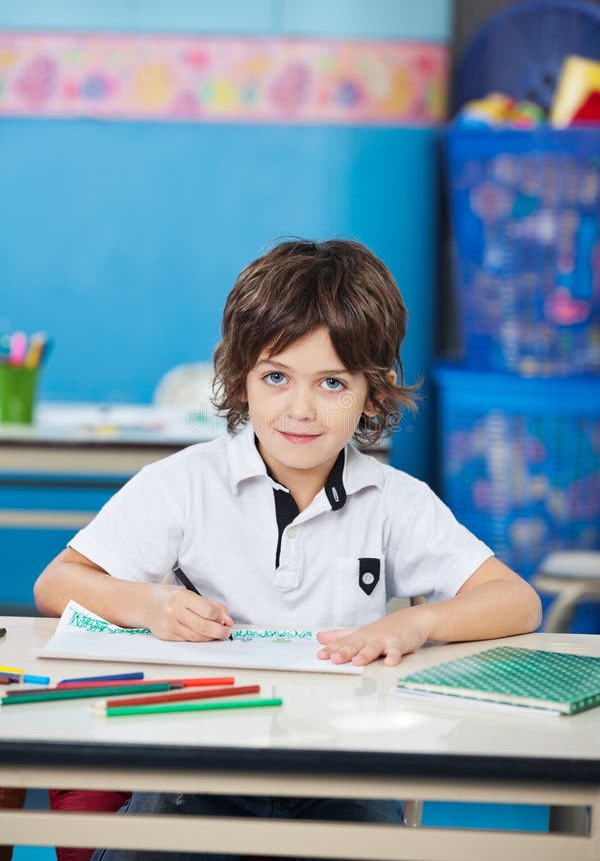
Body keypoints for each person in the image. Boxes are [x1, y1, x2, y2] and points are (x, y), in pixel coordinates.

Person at [34, 238, 542, 861]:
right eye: (277, 377)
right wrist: (148, 605)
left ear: (373, 393)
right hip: (198, 767)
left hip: (343, 771)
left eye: (331, 382)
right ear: (241, 379)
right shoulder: (185, 482)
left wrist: (418, 621)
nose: (300, 409)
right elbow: (57, 584)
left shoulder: (393, 499)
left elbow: (516, 601)